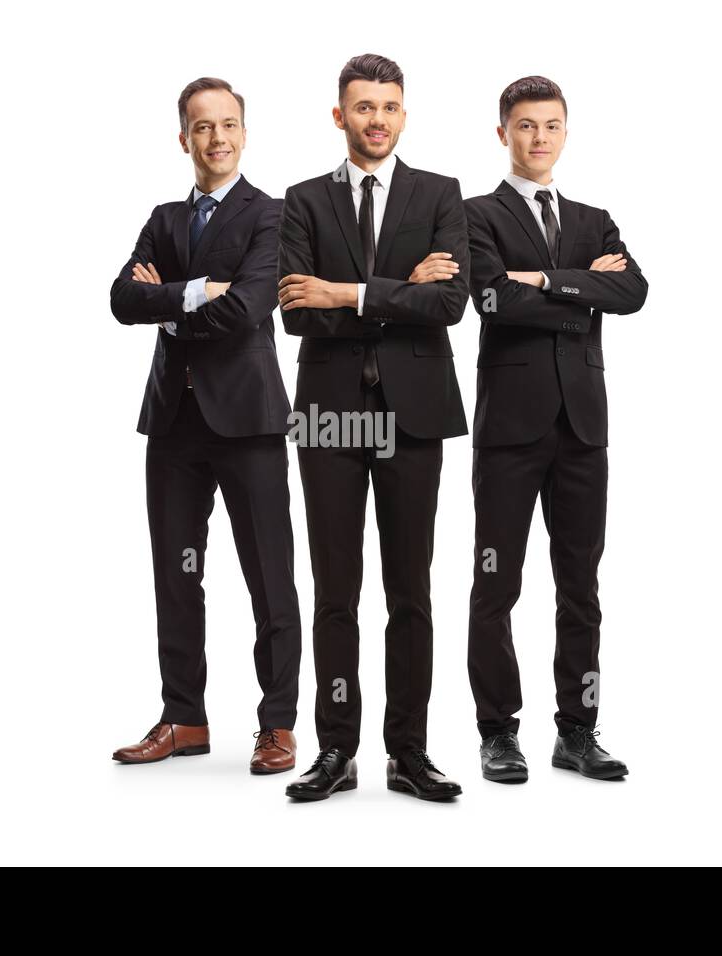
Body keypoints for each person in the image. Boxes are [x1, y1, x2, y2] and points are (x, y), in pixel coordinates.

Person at [277, 54, 469, 801]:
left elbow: (449, 304)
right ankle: (335, 749)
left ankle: (409, 751)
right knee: (334, 588)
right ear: (339, 116)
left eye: (389, 106)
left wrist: (346, 291)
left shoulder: (439, 195)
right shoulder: (303, 200)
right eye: (363, 107)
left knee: (410, 589)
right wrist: (396, 292)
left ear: (404, 114)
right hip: (328, 413)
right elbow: (295, 311)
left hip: (413, 412)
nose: (377, 120)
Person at [109, 77, 302, 776]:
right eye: (201, 127)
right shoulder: (164, 218)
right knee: (176, 573)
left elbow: (249, 306)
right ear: (183, 138)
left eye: (227, 125)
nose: (216, 138)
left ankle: (277, 724)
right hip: (173, 421)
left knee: (268, 576)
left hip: (246, 420)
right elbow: (120, 298)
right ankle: (183, 716)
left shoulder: (272, 216)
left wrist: (165, 302)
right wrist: (192, 293)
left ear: (243, 134)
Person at [464, 75, 648, 783]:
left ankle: (578, 730)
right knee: (496, 584)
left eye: (551, 125)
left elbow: (631, 290)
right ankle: (496, 731)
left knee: (581, 585)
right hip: (509, 432)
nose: (539, 138)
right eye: (526, 125)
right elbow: (489, 299)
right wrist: (577, 286)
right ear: (503, 132)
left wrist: (540, 279)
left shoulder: (595, 218)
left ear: (566, 132)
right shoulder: (475, 214)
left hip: (582, 431)